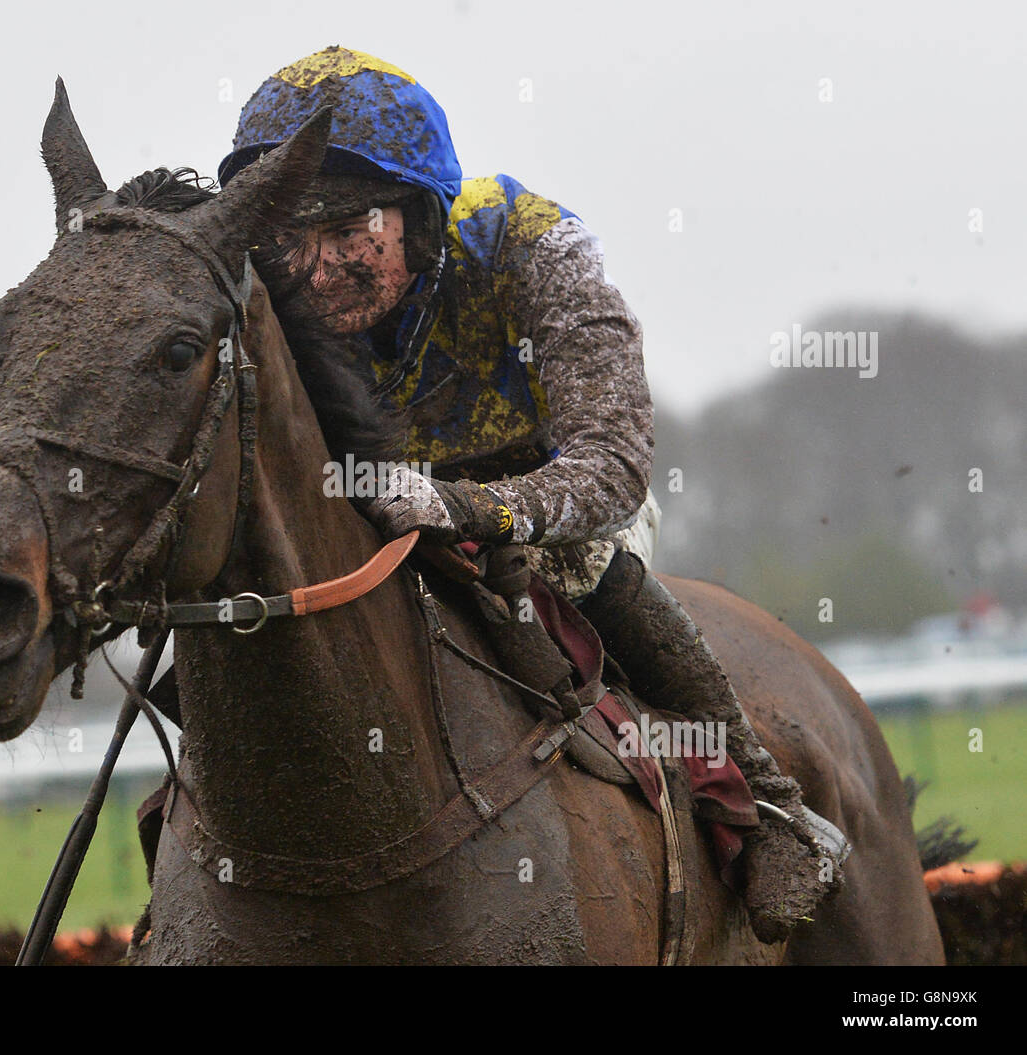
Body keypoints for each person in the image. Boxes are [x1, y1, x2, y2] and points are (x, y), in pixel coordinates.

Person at [218, 45, 848, 944]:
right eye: (289, 237)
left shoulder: (533, 243)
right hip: (364, 511)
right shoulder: (269, 291)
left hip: (553, 498)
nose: (314, 270)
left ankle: (771, 805)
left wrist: (473, 510)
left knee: (591, 565)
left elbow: (616, 458)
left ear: (419, 216)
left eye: (346, 229)